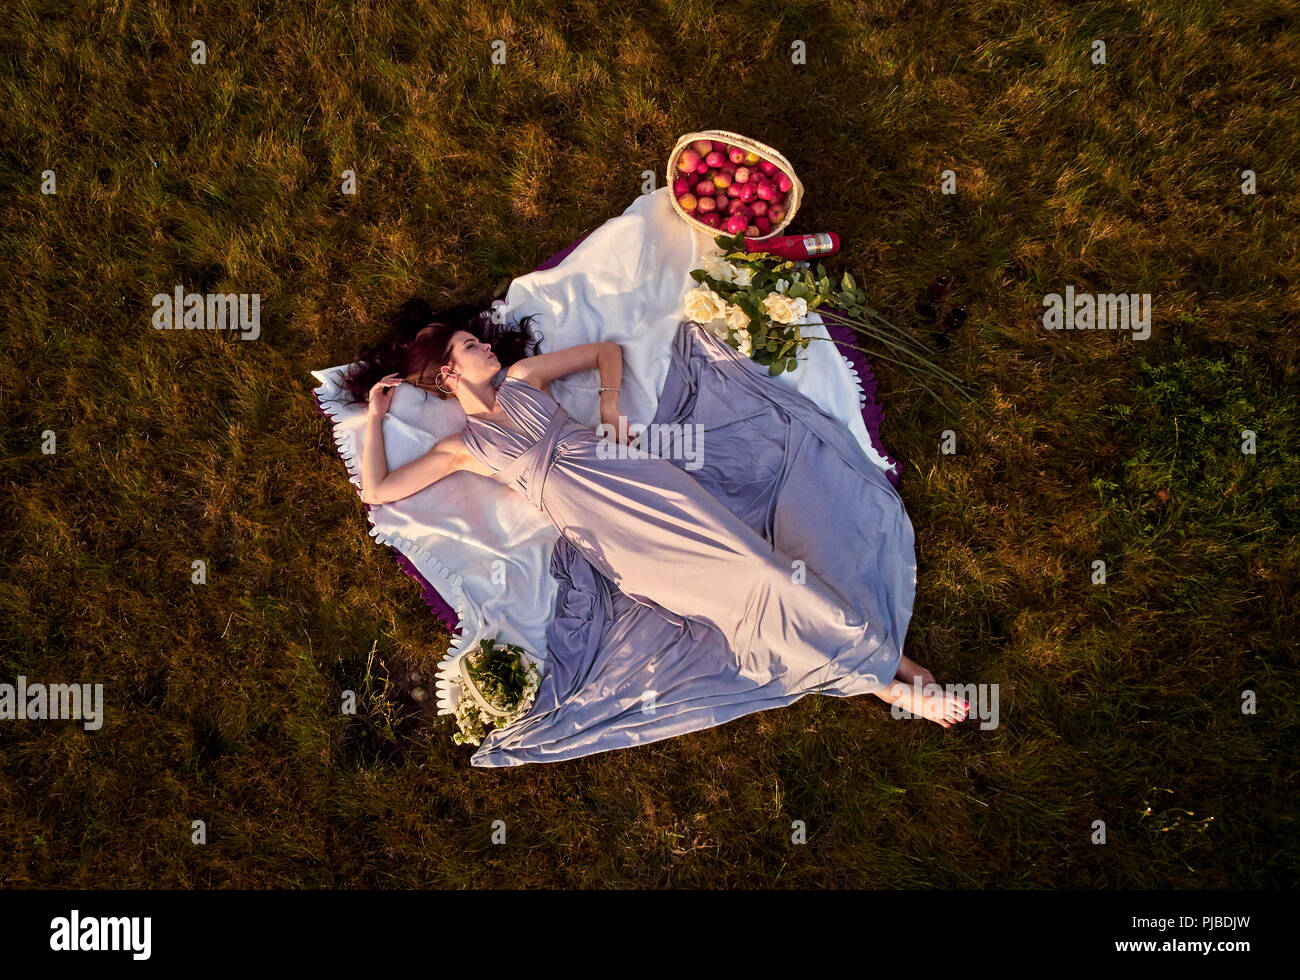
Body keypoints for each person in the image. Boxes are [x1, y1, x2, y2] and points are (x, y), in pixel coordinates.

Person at [344, 296, 968, 733]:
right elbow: (378, 491)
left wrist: (611, 411)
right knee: (734, 602)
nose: (488, 346)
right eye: (472, 345)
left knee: (763, 569)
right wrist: (375, 420)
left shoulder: (525, 379)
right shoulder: (463, 449)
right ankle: (890, 669)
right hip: (613, 539)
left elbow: (607, 351)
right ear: (450, 372)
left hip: (645, 483)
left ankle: (891, 676)